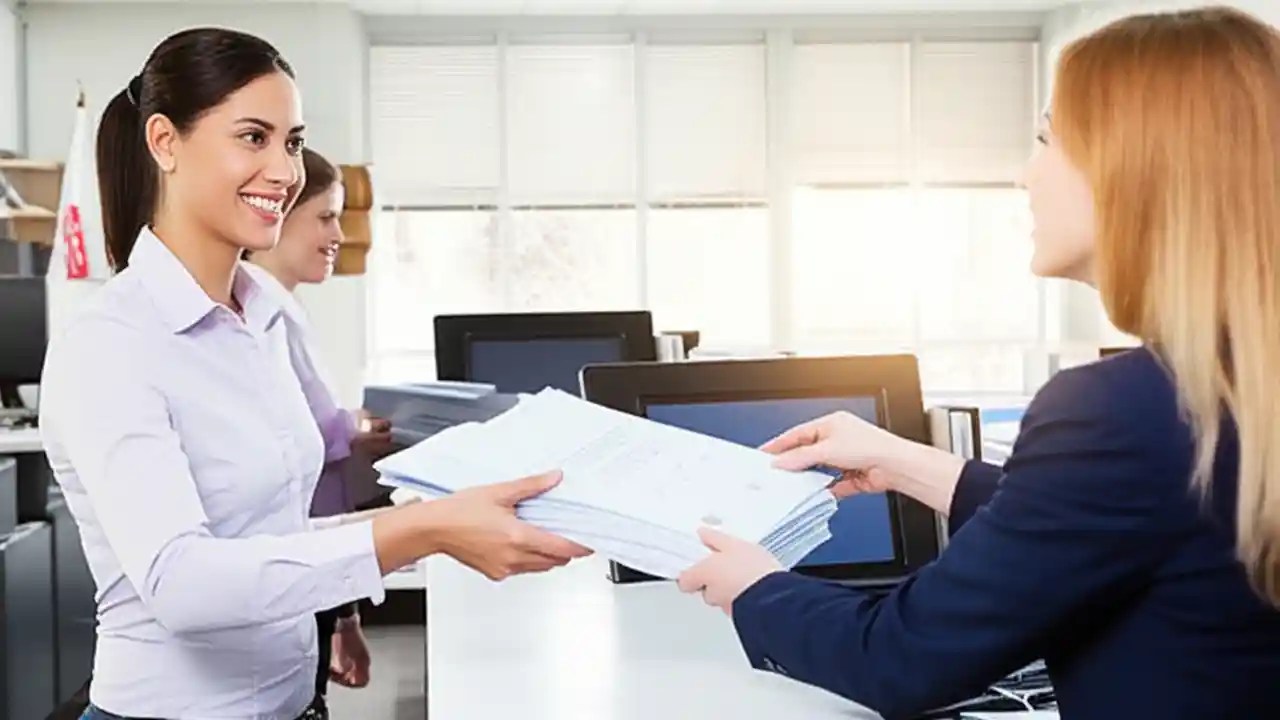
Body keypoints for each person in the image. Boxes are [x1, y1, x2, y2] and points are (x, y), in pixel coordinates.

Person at [677, 7, 1280, 720]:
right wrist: (907, 464)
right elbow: (1143, 508)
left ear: (1136, 169)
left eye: (1048, 141)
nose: (1026, 176)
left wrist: (757, 586)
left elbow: (901, 659)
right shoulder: (1225, 394)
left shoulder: (1120, 408)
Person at [38, 27, 589, 720]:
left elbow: (275, 534)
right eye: (253, 137)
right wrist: (421, 533)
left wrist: (427, 516)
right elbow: (183, 585)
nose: (284, 170)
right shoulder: (110, 342)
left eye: (292, 141)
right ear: (164, 142)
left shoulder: (261, 314)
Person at [242, 146, 389, 703]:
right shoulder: (258, 323)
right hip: (290, 572)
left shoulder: (287, 316)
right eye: (326, 216)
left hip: (314, 572)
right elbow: (294, 462)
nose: (339, 235)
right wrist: (344, 431)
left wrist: (345, 613)